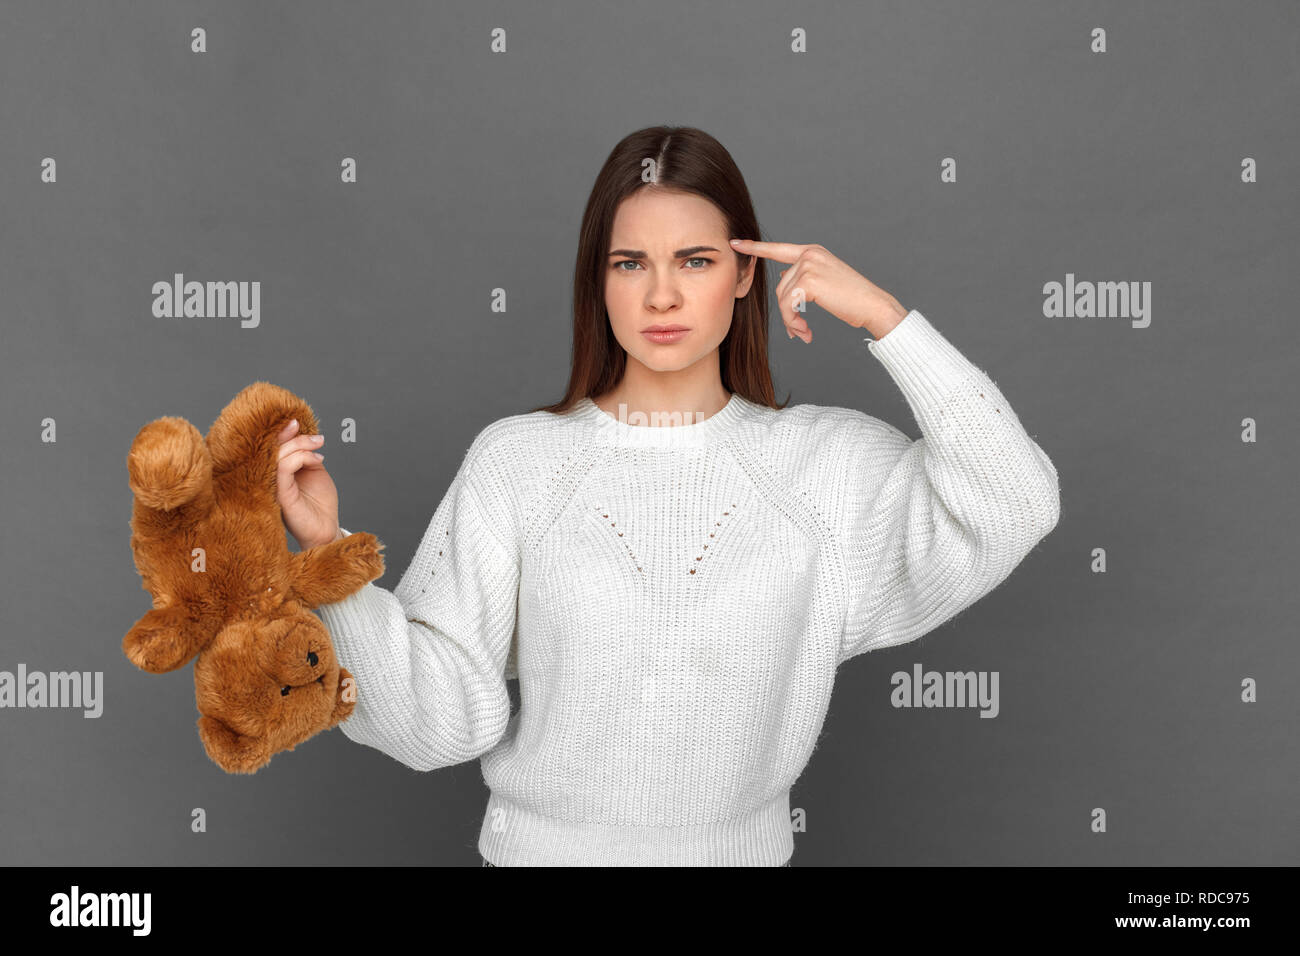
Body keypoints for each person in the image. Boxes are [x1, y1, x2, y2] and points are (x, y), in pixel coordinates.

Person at [275, 126, 1061, 867]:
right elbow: (436, 721)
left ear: (746, 273)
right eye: (629, 264)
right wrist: (327, 553)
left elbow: (1016, 502)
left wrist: (887, 321)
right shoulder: (517, 463)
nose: (660, 297)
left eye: (694, 261)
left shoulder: (823, 466)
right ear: (599, 280)